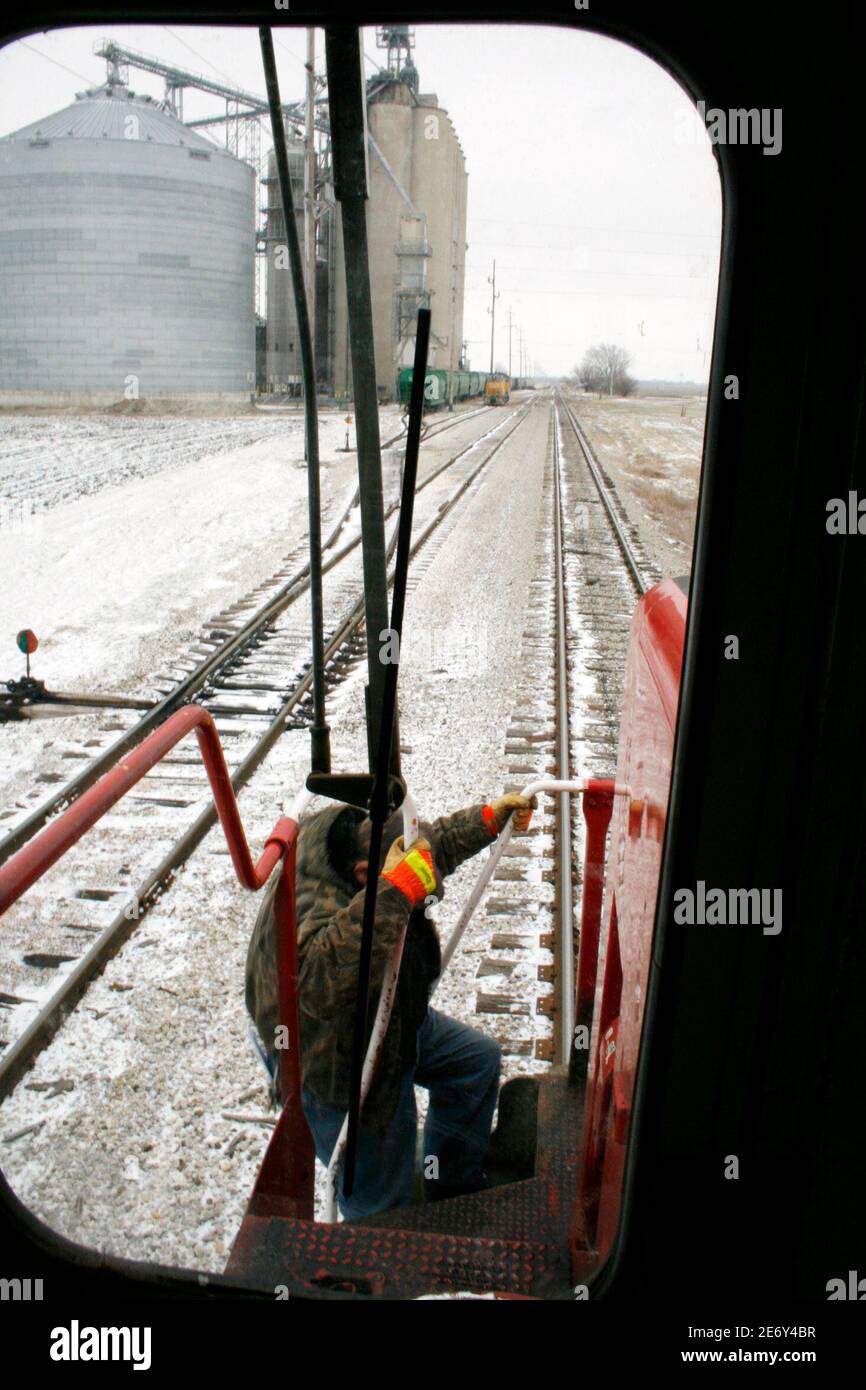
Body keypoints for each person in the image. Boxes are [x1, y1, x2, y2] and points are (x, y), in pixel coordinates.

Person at [245, 790, 534, 1219]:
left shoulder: (359, 837)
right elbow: (317, 985)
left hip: (388, 1011)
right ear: (365, 875)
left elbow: (431, 847)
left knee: (475, 1063)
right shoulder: (313, 900)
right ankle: (383, 1248)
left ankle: (448, 1184)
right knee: (381, 1201)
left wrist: (489, 820)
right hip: (332, 1056)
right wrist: (396, 892)